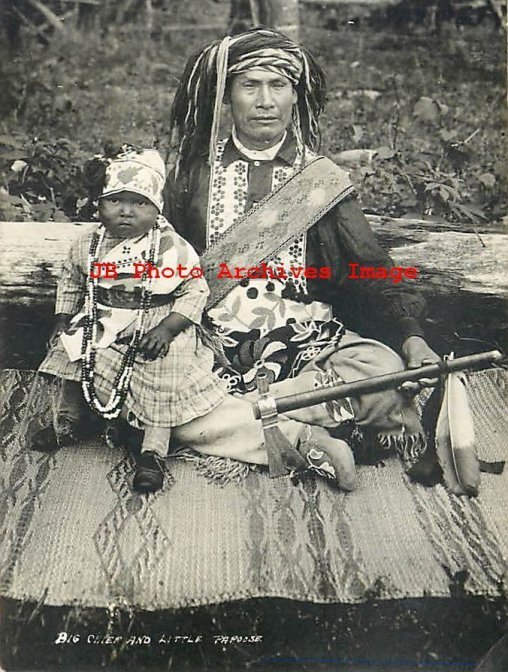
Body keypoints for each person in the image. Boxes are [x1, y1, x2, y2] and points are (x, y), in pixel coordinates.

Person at [163, 27, 440, 489]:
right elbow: (158, 258)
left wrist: (411, 336)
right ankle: (304, 436)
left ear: (295, 97)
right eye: (250, 86)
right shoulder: (190, 172)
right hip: (208, 340)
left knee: (383, 372)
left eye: (278, 86)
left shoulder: (320, 180)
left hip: (304, 339)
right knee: (142, 384)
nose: (264, 101)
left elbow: (370, 267)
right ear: (228, 97)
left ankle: (232, 425)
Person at [30, 147, 227, 494]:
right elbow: (73, 279)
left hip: (155, 324)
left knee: (161, 376)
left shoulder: (170, 247)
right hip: (103, 316)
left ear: (156, 208)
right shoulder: (89, 244)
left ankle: (152, 451)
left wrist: (167, 329)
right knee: (75, 349)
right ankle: (71, 419)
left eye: (139, 203)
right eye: (116, 201)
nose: (126, 211)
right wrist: (63, 318)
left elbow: (195, 291)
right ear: (100, 204)